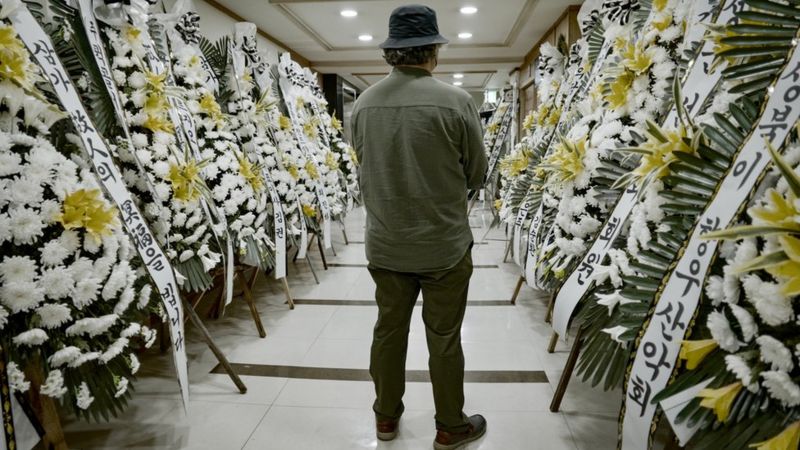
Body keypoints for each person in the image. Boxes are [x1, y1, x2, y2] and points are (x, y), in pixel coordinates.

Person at [350, 5, 489, 450]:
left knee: (388, 331)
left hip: (387, 243)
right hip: (444, 245)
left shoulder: (363, 105)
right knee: (444, 337)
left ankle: (385, 419)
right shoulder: (457, 102)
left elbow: (364, 165)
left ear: (391, 54)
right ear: (433, 52)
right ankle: (450, 425)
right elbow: (478, 175)